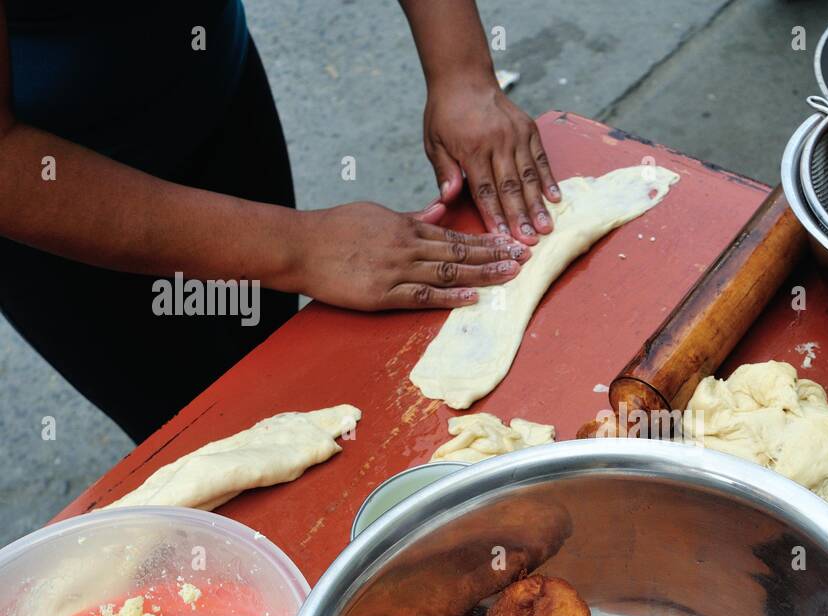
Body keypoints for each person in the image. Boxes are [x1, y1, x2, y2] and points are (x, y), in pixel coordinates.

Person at [0, 0, 560, 441]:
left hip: (218, 91)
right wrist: (302, 248)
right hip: (59, 210)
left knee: (295, 372)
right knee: (214, 433)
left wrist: (460, 68)